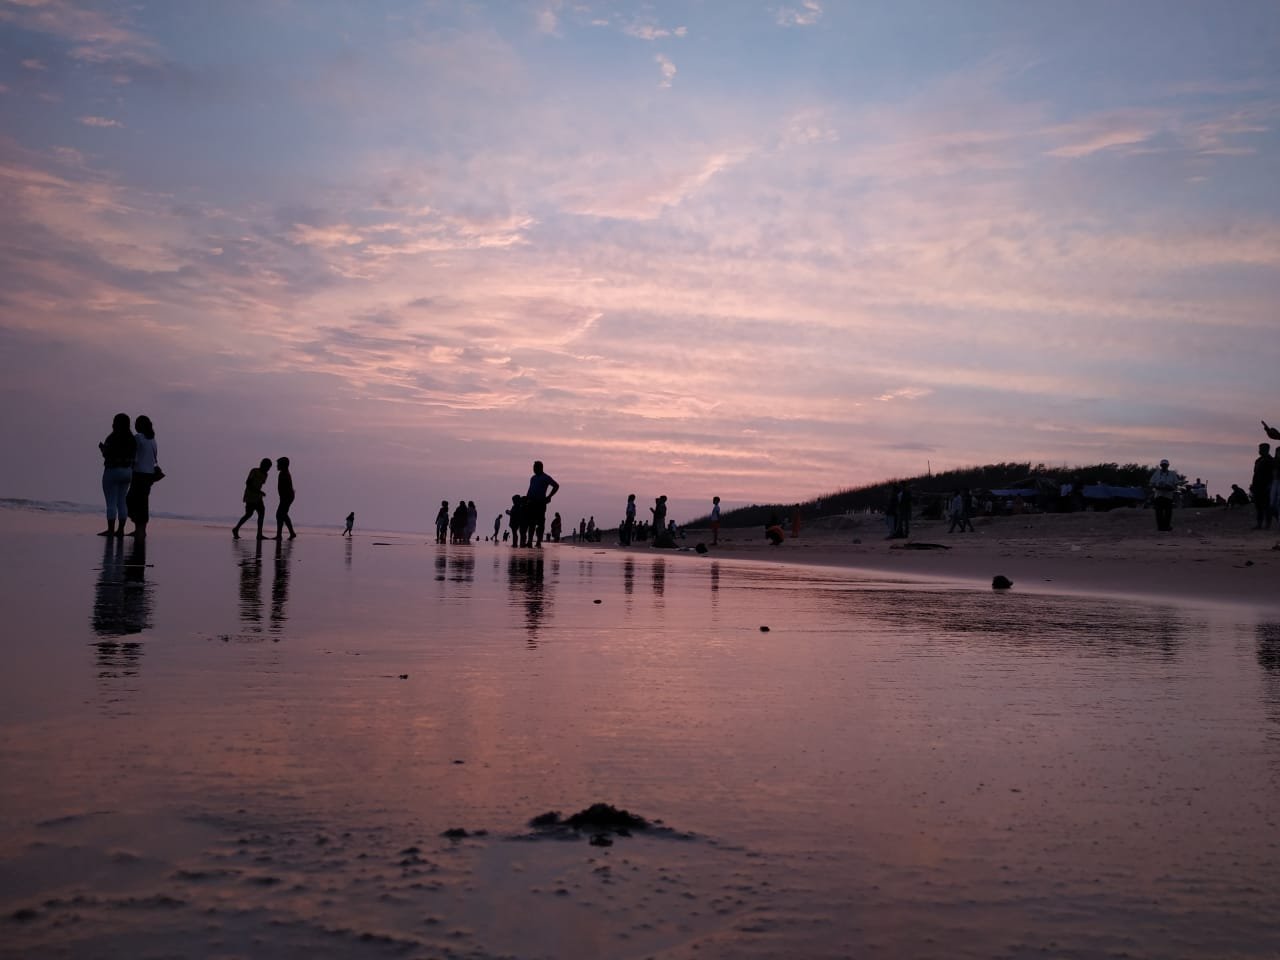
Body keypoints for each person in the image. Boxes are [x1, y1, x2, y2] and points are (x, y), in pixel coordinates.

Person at [98, 412, 136, 538]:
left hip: (113, 470)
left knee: (111, 502)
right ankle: (120, 530)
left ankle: (110, 529)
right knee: (122, 501)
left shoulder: (112, 437)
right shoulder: (132, 439)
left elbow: (107, 454)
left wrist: (103, 449)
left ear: (116, 424)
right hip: (127, 472)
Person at [125, 414, 159, 538]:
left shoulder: (138, 437)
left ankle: (139, 529)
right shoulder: (153, 440)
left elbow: (131, 451)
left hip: (139, 474)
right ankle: (141, 530)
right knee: (143, 503)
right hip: (149, 475)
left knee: (130, 501)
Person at [232, 458, 272, 540]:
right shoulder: (254, 471)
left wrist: (259, 493)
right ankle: (236, 529)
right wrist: (259, 491)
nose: (268, 469)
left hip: (258, 497)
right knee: (249, 514)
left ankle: (259, 534)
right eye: (267, 467)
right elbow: (248, 483)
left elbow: (261, 484)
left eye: (269, 468)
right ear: (262, 464)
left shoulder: (265, 475)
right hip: (250, 496)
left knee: (261, 513)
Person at [525, 461, 560, 547]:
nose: (533, 469)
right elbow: (530, 489)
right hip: (531, 503)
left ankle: (538, 541)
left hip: (540, 503)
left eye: (535, 467)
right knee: (531, 523)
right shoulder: (533, 478)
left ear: (540, 468)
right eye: (533, 468)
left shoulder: (545, 477)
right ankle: (529, 541)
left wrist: (549, 496)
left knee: (540, 523)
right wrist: (527, 499)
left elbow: (556, 486)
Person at [1149, 458, 1178, 532]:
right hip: (1159, 495)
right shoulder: (1157, 473)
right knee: (1159, 512)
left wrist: (1170, 487)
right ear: (1161, 465)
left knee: (1168, 512)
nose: (1164, 466)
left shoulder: (1172, 474)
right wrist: (1158, 486)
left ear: (1168, 465)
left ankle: (1167, 526)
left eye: (1165, 465)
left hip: (1168, 496)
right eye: (1163, 465)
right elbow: (1151, 483)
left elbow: (1176, 484)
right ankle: (1160, 527)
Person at [1251, 443, 1273, 530]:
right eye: (1259, 449)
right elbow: (1255, 474)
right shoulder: (1258, 460)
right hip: (1257, 486)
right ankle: (1259, 524)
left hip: (1266, 486)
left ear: (1266, 450)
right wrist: (1253, 485)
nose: (1259, 451)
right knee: (1258, 506)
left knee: (1266, 506)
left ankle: (1268, 524)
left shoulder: (1270, 460)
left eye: (1261, 449)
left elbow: (1272, 474)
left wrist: (1270, 485)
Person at [273, 457, 296, 540]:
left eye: (278, 464)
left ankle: (279, 535)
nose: (277, 466)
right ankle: (291, 533)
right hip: (286, 497)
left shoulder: (284, 474)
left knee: (279, 515)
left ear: (283, 465)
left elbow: (286, 488)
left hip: (286, 497)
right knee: (283, 515)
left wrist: (283, 498)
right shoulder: (283, 473)